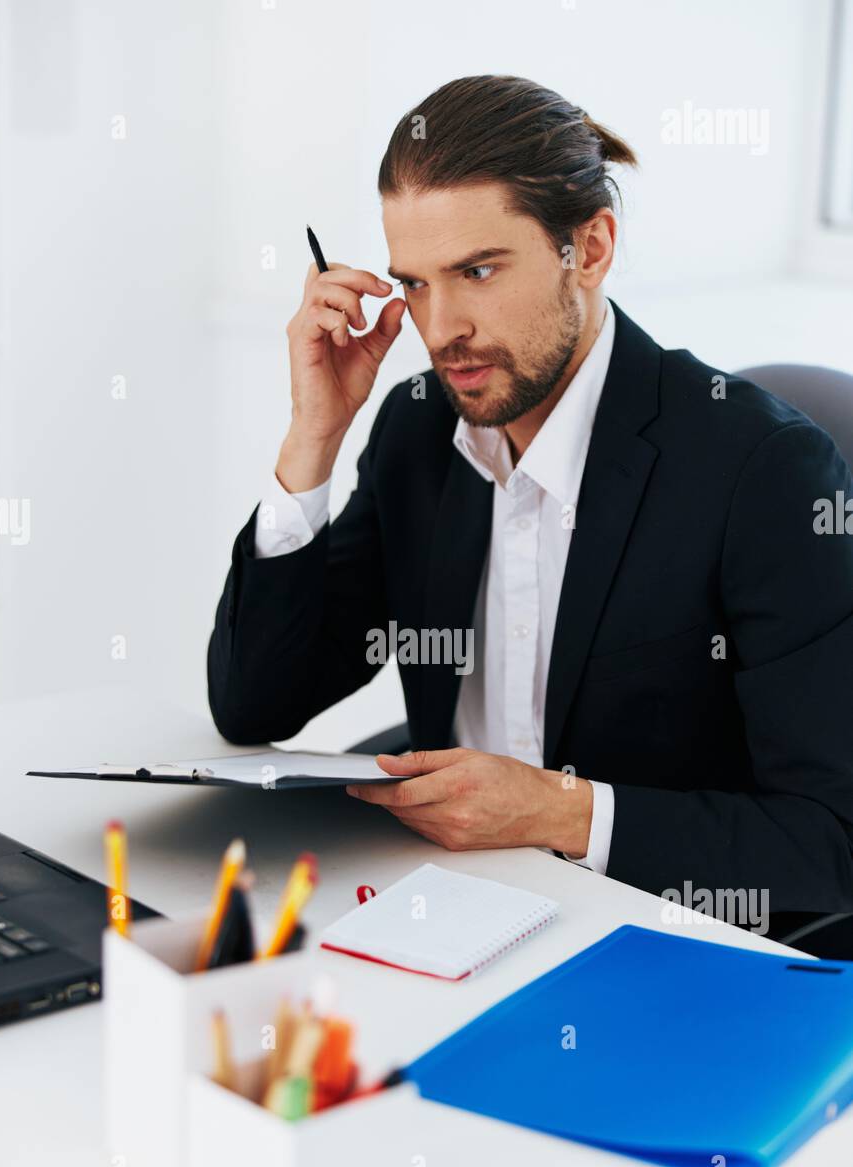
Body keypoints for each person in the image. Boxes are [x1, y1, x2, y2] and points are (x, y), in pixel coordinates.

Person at [208, 75, 853, 945]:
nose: (441, 331)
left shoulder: (764, 472)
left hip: (660, 936)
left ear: (588, 250)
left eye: (477, 271)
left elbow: (831, 840)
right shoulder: (416, 430)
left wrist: (560, 812)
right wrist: (312, 435)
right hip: (450, 910)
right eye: (416, 283)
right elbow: (256, 707)